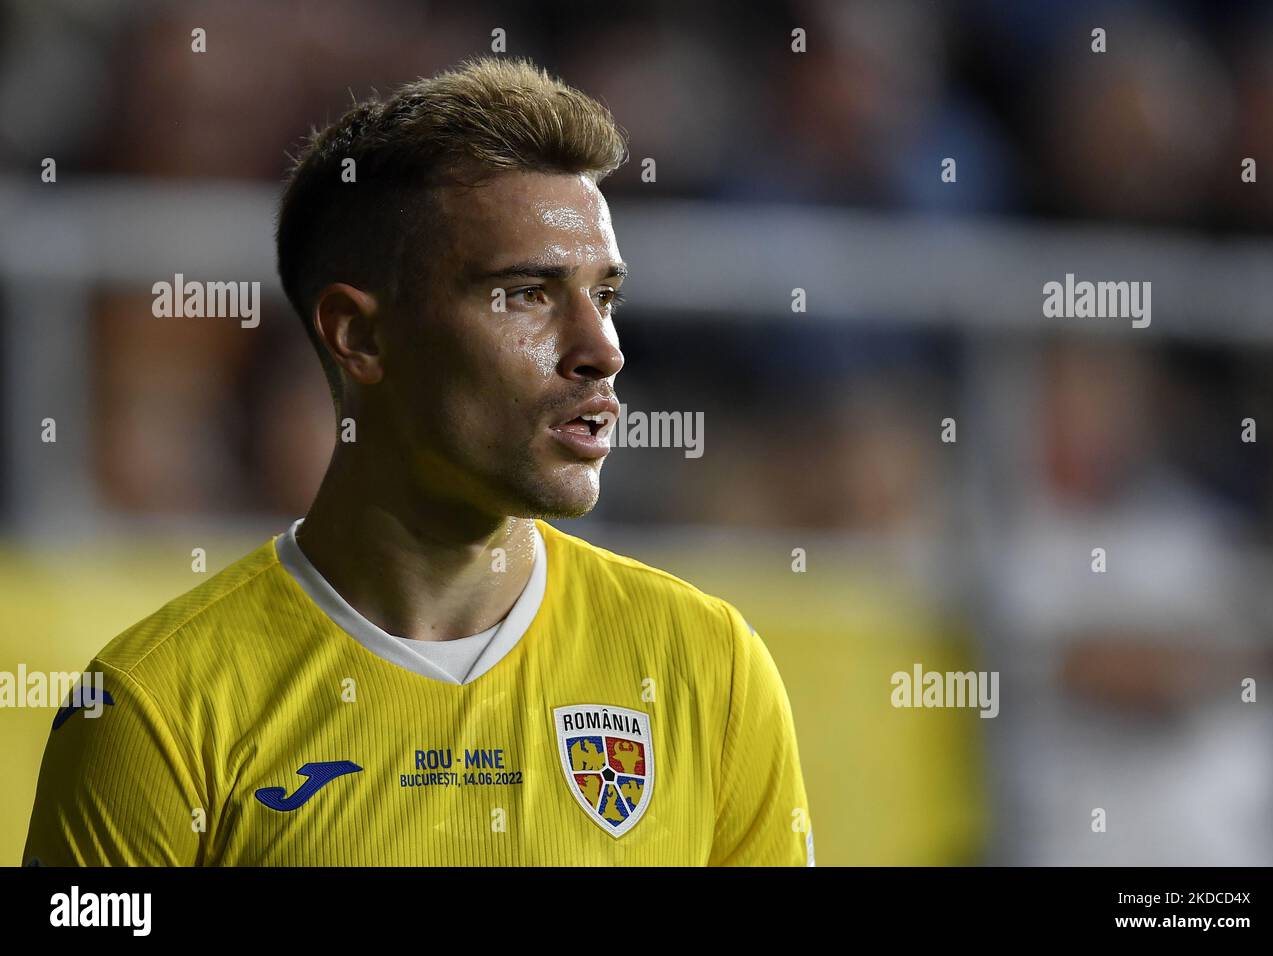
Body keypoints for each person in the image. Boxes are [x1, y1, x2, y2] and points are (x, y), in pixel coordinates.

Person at [23, 56, 812, 866]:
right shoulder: (151, 711)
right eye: (527, 293)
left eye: (604, 296)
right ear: (359, 336)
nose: (602, 350)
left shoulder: (708, 668)